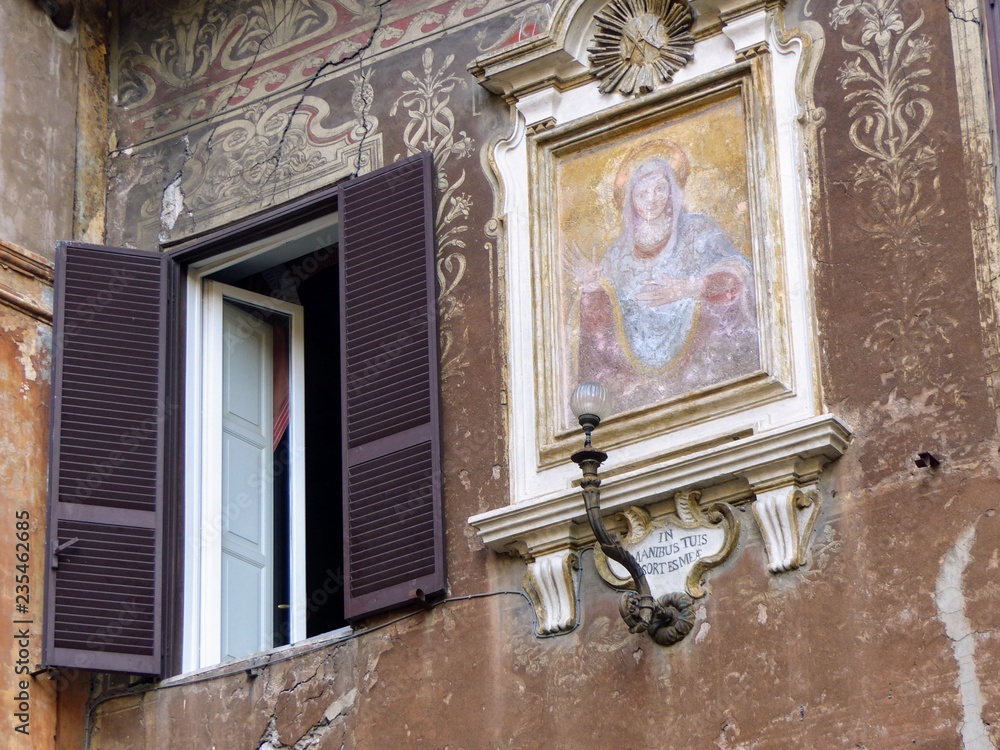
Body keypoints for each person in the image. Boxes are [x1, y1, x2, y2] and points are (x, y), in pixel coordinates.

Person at [565, 140, 759, 413]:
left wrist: (691, 288)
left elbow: (739, 273)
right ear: (630, 199)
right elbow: (604, 325)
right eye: (642, 192)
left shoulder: (699, 230)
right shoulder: (615, 254)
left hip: (700, 358)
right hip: (634, 370)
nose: (652, 199)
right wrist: (592, 289)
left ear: (672, 192)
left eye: (659, 189)